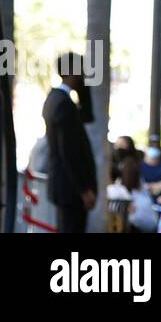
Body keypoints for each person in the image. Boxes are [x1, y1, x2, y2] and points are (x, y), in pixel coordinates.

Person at [40, 53, 97, 233]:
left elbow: (87, 117)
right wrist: (84, 189)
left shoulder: (56, 99)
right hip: (71, 189)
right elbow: (69, 151)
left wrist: (83, 90)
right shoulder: (63, 104)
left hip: (67, 187)